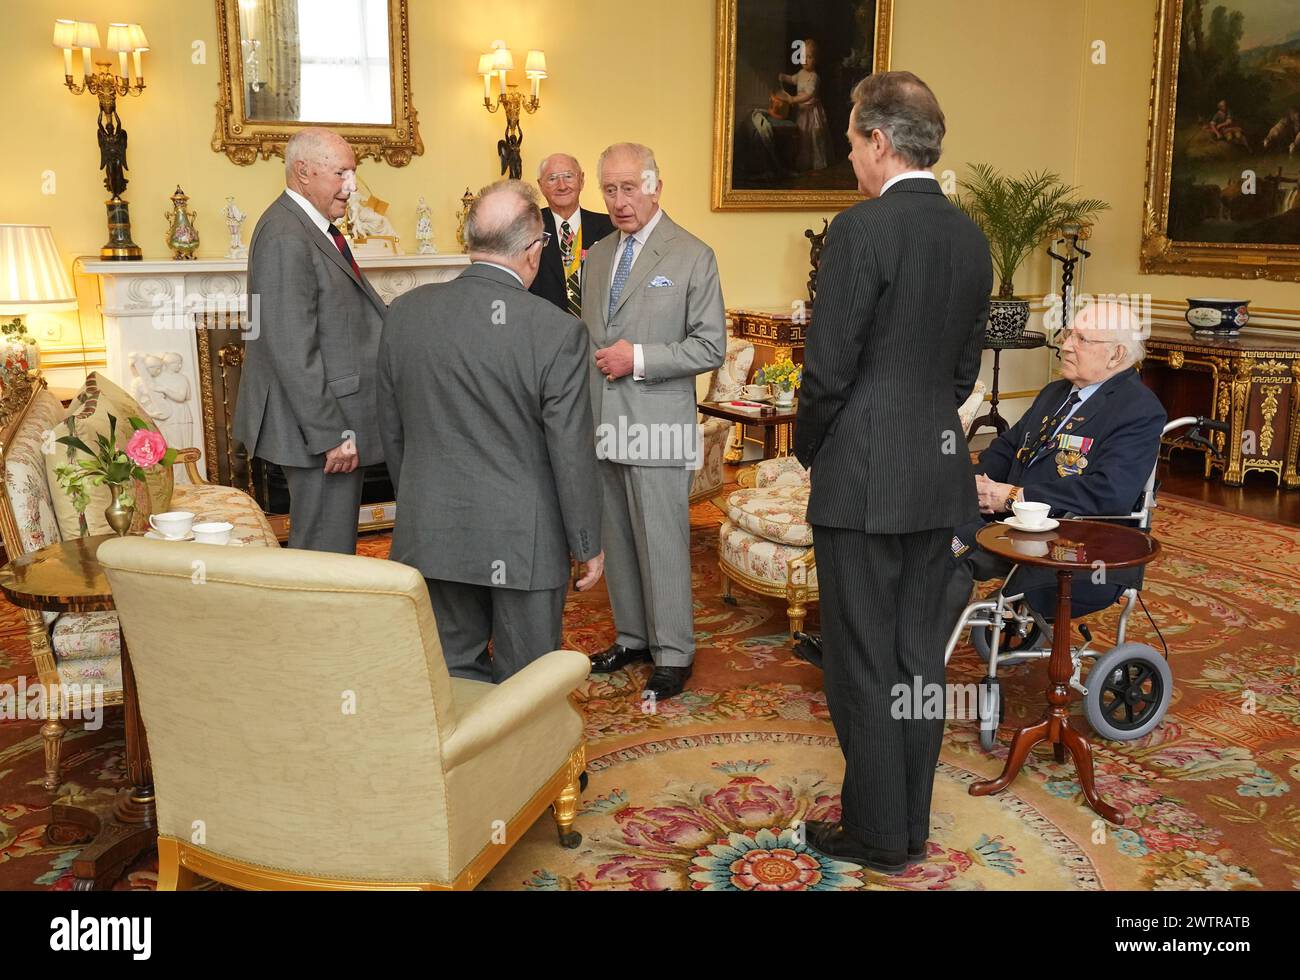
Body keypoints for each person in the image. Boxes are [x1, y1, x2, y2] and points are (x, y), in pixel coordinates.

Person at [793, 71, 992, 874]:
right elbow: (961, 371)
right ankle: (908, 823)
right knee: (917, 659)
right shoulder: (969, 235)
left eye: (849, 142)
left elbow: (827, 371)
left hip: (862, 480)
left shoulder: (860, 230)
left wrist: (815, 448)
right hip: (935, 474)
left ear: (879, 141)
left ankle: (877, 836)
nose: (849, 157)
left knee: (863, 663)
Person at [376, 180, 605, 683]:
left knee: (450, 677)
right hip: (525, 540)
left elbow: (392, 432)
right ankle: (526, 764)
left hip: (432, 529)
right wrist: (586, 543)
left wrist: (418, 496)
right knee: (528, 681)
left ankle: (469, 762)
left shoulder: (404, 314)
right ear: (531, 251)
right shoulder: (557, 331)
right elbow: (570, 451)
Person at [581, 142, 726, 701]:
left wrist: (637, 358)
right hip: (604, 421)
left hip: (658, 425)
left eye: (629, 188)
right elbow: (590, 339)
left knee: (662, 542)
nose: (619, 201)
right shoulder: (596, 257)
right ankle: (634, 637)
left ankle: (673, 654)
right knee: (618, 537)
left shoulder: (692, 255)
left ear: (655, 187)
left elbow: (709, 346)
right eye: (610, 190)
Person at [946, 299, 1166, 619]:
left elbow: (1108, 493)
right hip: (1014, 523)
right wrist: (976, 485)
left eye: (1081, 339)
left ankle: (920, 659)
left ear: (1116, 354)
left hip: (1072, 539)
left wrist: (1014, 497)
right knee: (930, 529)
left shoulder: (1138, 410)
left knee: (951, 548)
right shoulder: (1056, 392)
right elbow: (1007, 448)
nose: (1065, 346)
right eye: (1068, 335)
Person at [234, 127, 387, 553]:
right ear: (303, 172)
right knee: (324, 547)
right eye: (342, 174)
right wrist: (331, 435)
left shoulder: (311, 227)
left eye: (352, 174)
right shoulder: (286, 234)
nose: (351, 187)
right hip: (317, 429)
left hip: (328, 419)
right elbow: (289, 347)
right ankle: (320, 622)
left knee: (331, 542)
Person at [530, 153, 615, 316]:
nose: (562, 186)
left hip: (598, 333)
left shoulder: (610, 227)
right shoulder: (527, 228)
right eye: (552, 178)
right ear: (540, 185)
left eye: (568, 176)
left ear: (581, 180)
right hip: (544, 330)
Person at [776, 39, 830, 172]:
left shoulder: (814, 77)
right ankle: (803, 161)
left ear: (815, 60)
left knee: (813, 137)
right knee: (802, 136)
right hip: (802, 112)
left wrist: (793, 99)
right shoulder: (800, 74)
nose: (805, 60)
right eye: (803, 56)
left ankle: (815, 162)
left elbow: (809, 94)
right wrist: (784, 77)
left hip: (812, 113)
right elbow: (793, 79)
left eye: (809, 57)